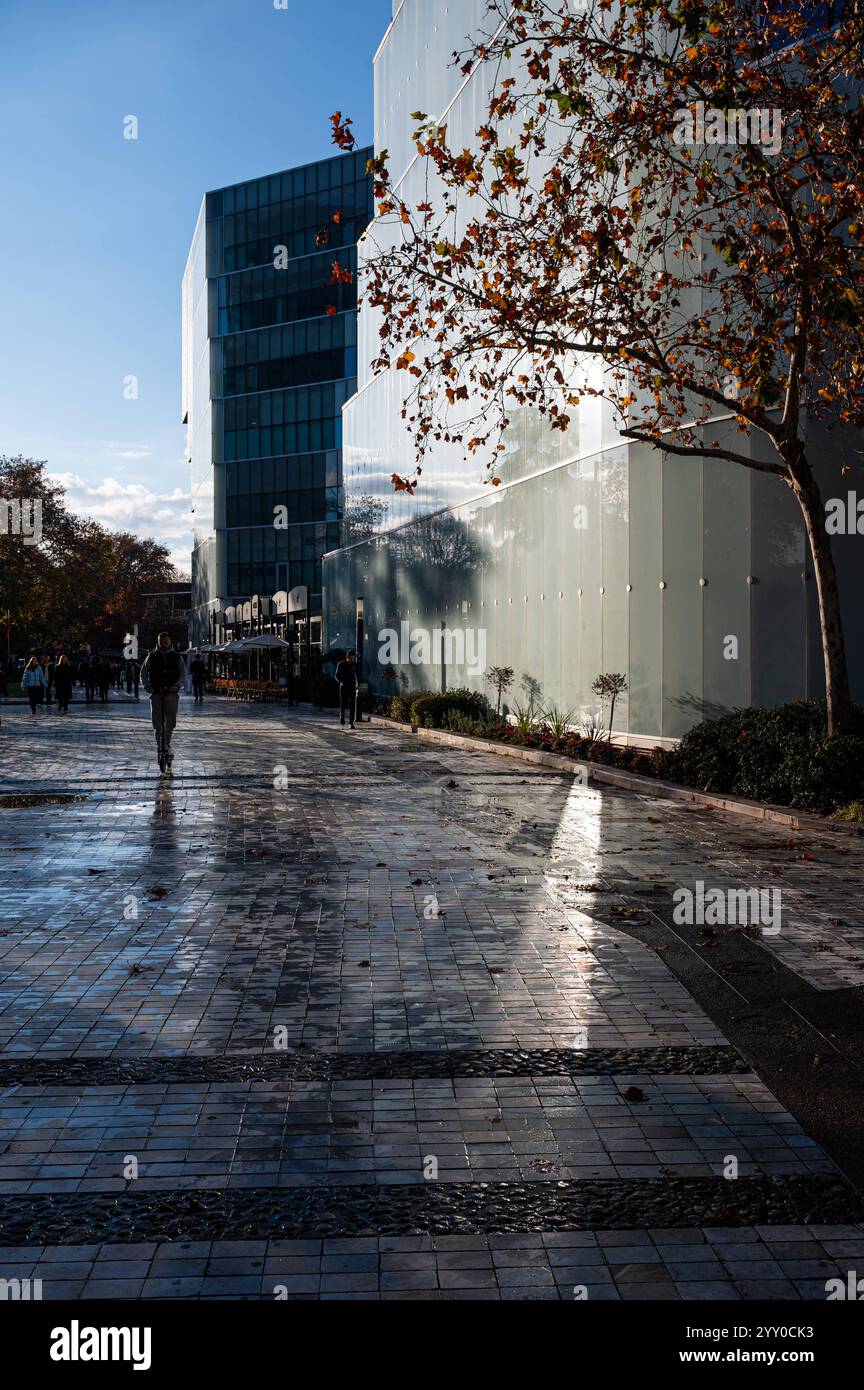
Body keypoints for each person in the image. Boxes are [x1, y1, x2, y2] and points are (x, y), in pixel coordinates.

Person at [141, 632, 187, 769]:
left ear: (169, 641)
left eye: (165, 642)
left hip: (171, 694)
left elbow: (183, 673)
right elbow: (143, 672)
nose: (163, 644)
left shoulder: (177, 657)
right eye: (161, 642)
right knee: (157, 723)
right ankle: (161, 747)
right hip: (156, 693)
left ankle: (166, 745)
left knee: (170, 723)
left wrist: (177, 685)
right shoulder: (152, 656)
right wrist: (147, 686)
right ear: (158, 642)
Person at [334, 651, 360, 730]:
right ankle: (342, 716)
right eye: (352, 657)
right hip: (343, 687)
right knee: (343, 703)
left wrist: (357, 684)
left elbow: (357, 675)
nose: (353, 659)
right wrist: (342, 682)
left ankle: (351, 723)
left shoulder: (354, 665)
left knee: (352, 705)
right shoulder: (341, 664)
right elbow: (336, 676)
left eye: (354, 657)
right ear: (348, 657)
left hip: (352, 687)